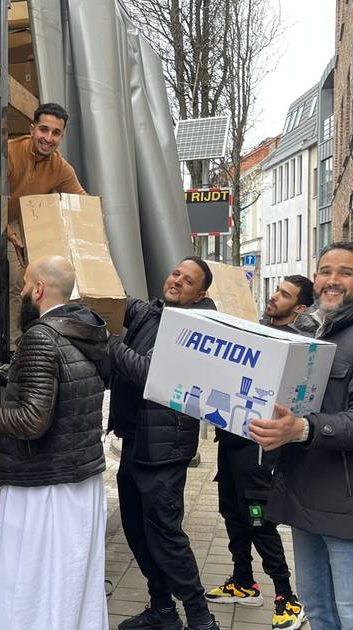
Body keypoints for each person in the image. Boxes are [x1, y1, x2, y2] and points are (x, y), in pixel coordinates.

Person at [0, 255, 110, 630]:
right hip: (78, 480)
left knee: (30, 585)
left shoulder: (40, 336)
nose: (22, 292)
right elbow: (49, 383)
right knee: (69, 584)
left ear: (39, 289)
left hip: (44, 487)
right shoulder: (83, 329)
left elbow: (31, 419)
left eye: (25, 285)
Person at [250, 241, 353, 630]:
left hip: (348, 502)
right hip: (303, 494)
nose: (332, 280)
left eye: (344, 273)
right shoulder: (311, 336)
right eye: (325, 271)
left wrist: (304, 428)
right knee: (319, 610)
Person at [110, 257, 221, 630]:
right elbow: (110, 295)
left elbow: (148, 373)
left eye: (187, 281)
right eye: (175, 273)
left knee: (165, 534)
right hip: (135, 439)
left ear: (199, 293)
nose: (176, 281)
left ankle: (201, 619)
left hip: (165, 447)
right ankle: (162, 609)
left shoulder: (194, 328)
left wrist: (108, 344)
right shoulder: (151, 313)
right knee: (136, 530)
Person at [205, 275, 314, 630]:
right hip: (232, 441)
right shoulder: (257, 331)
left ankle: (288, 598)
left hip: (260, 450)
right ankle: (243, 582)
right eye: (276, 290)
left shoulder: (301, 344)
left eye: (284, 294)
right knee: (233, 514)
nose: (274, 297)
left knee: (259, 521)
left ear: (299, 307)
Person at [0, 102, 86, 348]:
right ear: (32, 129)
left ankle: (14, 348)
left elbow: (81, 200)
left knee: (20, 282)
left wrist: (93, 227)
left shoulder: (59, 166)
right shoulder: (5, 154)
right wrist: (11, 235)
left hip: (11, 218)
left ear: (62, 136)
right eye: (43, 130)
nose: (48, 138)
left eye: (56, 133)